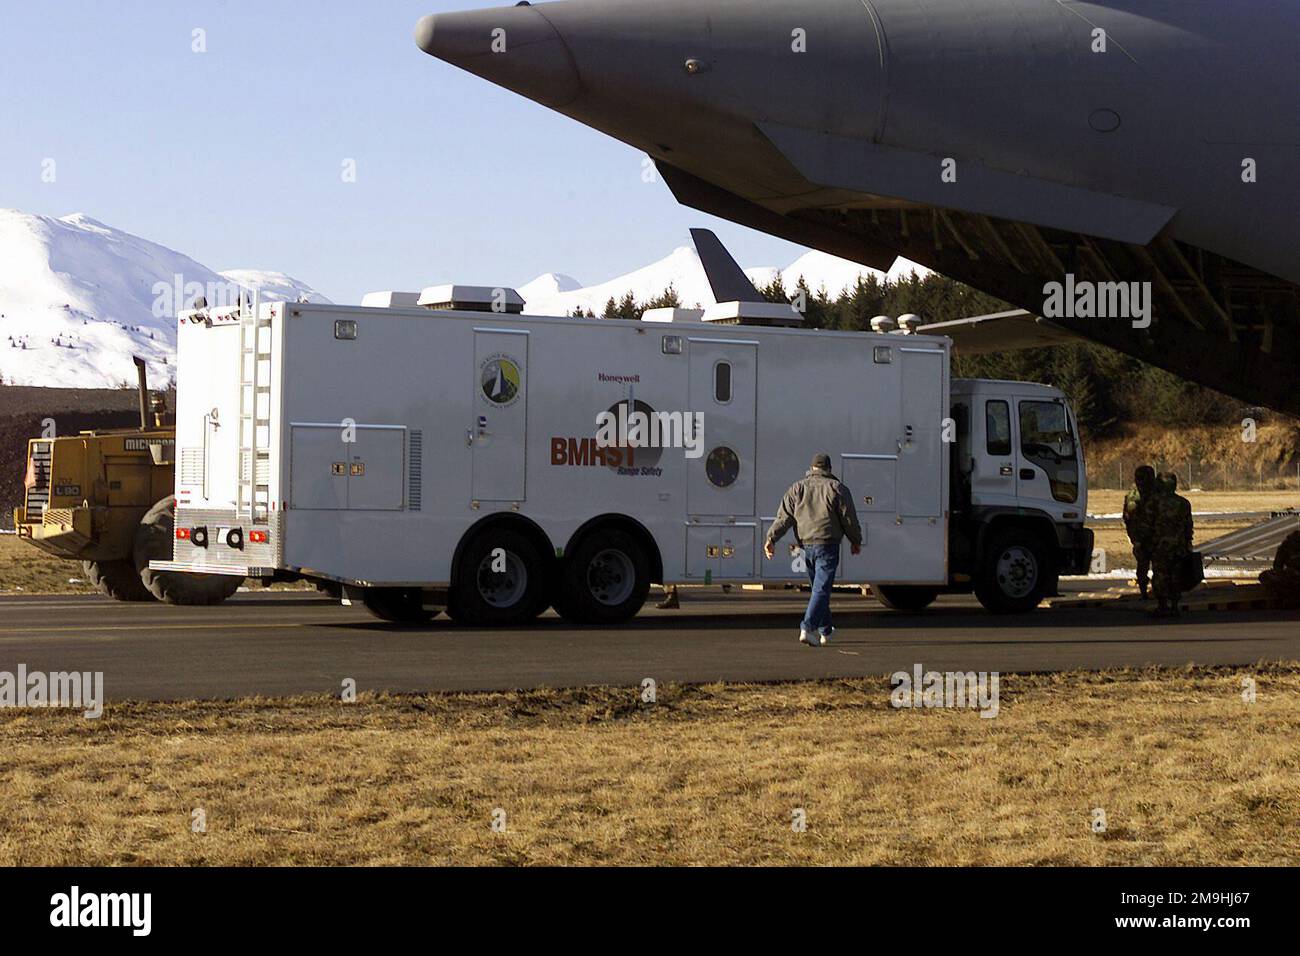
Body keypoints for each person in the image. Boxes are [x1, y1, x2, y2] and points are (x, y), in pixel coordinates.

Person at [763, 453, 863, 646]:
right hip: (827, 544)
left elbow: (784, 518)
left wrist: (771, 539)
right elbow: (848, 519)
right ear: (829, 469)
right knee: (821, 588)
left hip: (805, 545)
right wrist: (855, 540)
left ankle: (826, 630)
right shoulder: (837, 488)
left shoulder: (797, 488)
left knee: (819, 589)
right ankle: (807, 628)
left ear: (811, 469)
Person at [1148, 471, 1194, 617]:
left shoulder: (1154, 502)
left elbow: (1146, 524)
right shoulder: (1183, 503)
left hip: (1160, 546)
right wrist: (1187, 543)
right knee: (1176, 575)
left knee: (1161, 575)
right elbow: (1188, 525)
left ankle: (1162, 605)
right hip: (1178, 546)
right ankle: (1174, 606)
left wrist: (1144, 542)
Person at [1123, 465, 1157, 598]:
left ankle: (1145, 592)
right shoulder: (1157, 493)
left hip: (1141, 536)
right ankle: (1156, 592)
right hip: (1153, 535)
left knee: (1143, 565)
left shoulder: (1131, 495)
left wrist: (1133, 536)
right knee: (1158, 566)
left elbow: (1127, 518)